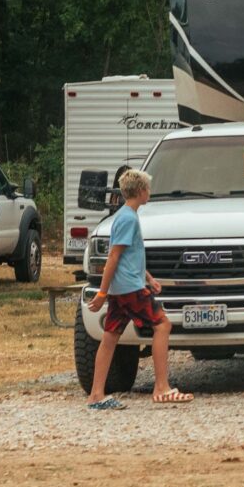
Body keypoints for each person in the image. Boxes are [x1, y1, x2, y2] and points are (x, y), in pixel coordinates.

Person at [85, 168, 187, 407]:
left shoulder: (124, 216)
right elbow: (114, 256)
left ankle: (96, 395)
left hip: (124, 287)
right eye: (147, 188)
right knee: (162, 325)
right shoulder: (128, 219)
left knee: (110, 336)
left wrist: (149, 278)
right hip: (129, 289)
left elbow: (131, 255)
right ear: (140, 191)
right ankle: (162, 387)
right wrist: (101, 293)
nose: (149, 192)